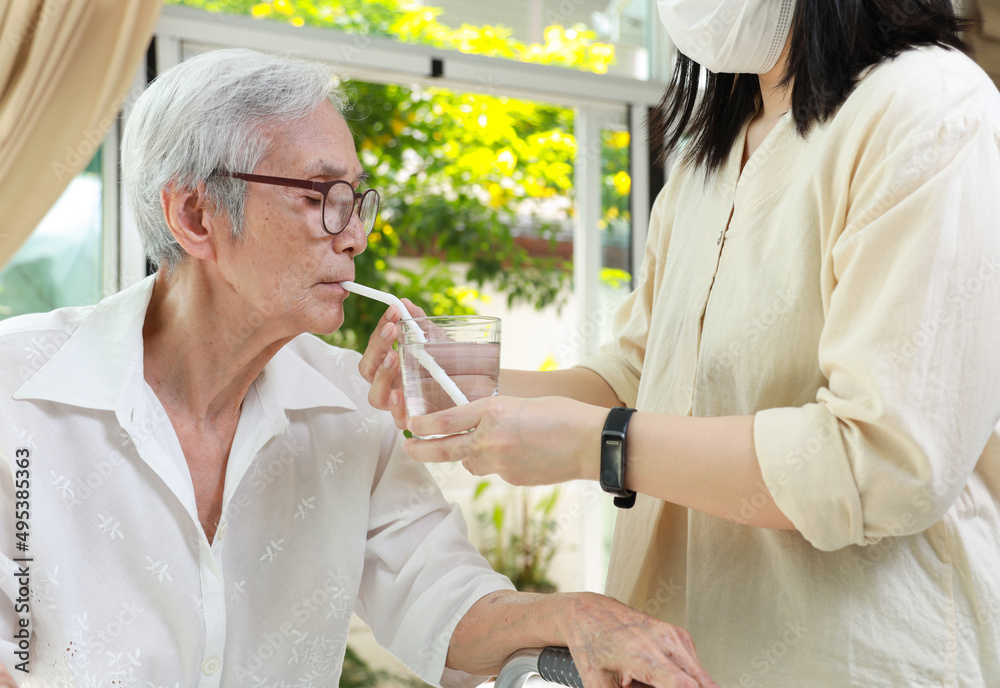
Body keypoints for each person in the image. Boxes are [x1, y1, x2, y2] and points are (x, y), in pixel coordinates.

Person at [0, 48, 719, 688]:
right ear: (194, 215)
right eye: (321, 199)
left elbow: (448, 606)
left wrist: (581, 616)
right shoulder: (16, 389)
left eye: (358, 200)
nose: (357, 237)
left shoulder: (352, 405)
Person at [361, 1, 1000, 686]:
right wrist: (458, 380)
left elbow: (886, 460)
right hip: (674, 659)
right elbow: (639, 374)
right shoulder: (708, 157)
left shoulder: (927, 107)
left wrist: (600, 445)